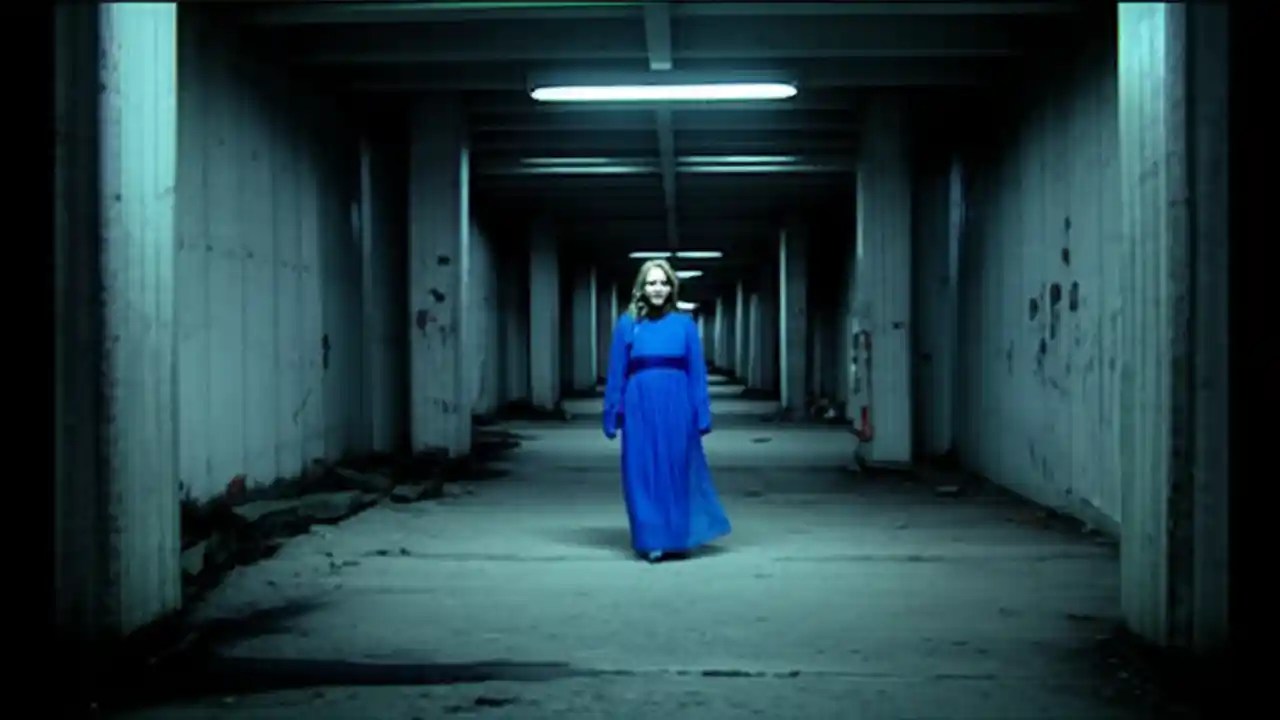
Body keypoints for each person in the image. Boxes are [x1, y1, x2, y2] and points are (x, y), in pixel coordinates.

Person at [602, 258, 732, 563]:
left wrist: (701, 412)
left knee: (675, 469)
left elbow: (696, 372)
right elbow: (616, 371)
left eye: (663, 283)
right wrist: (612, 411)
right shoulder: (628, 323)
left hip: (677, 403)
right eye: (651, 283)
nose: (657, 288)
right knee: (642, 470)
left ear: (671, 287)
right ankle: (651, 539)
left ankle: (676, 537)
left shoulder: (685, 325)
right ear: (641, 287)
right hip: (639, 403)